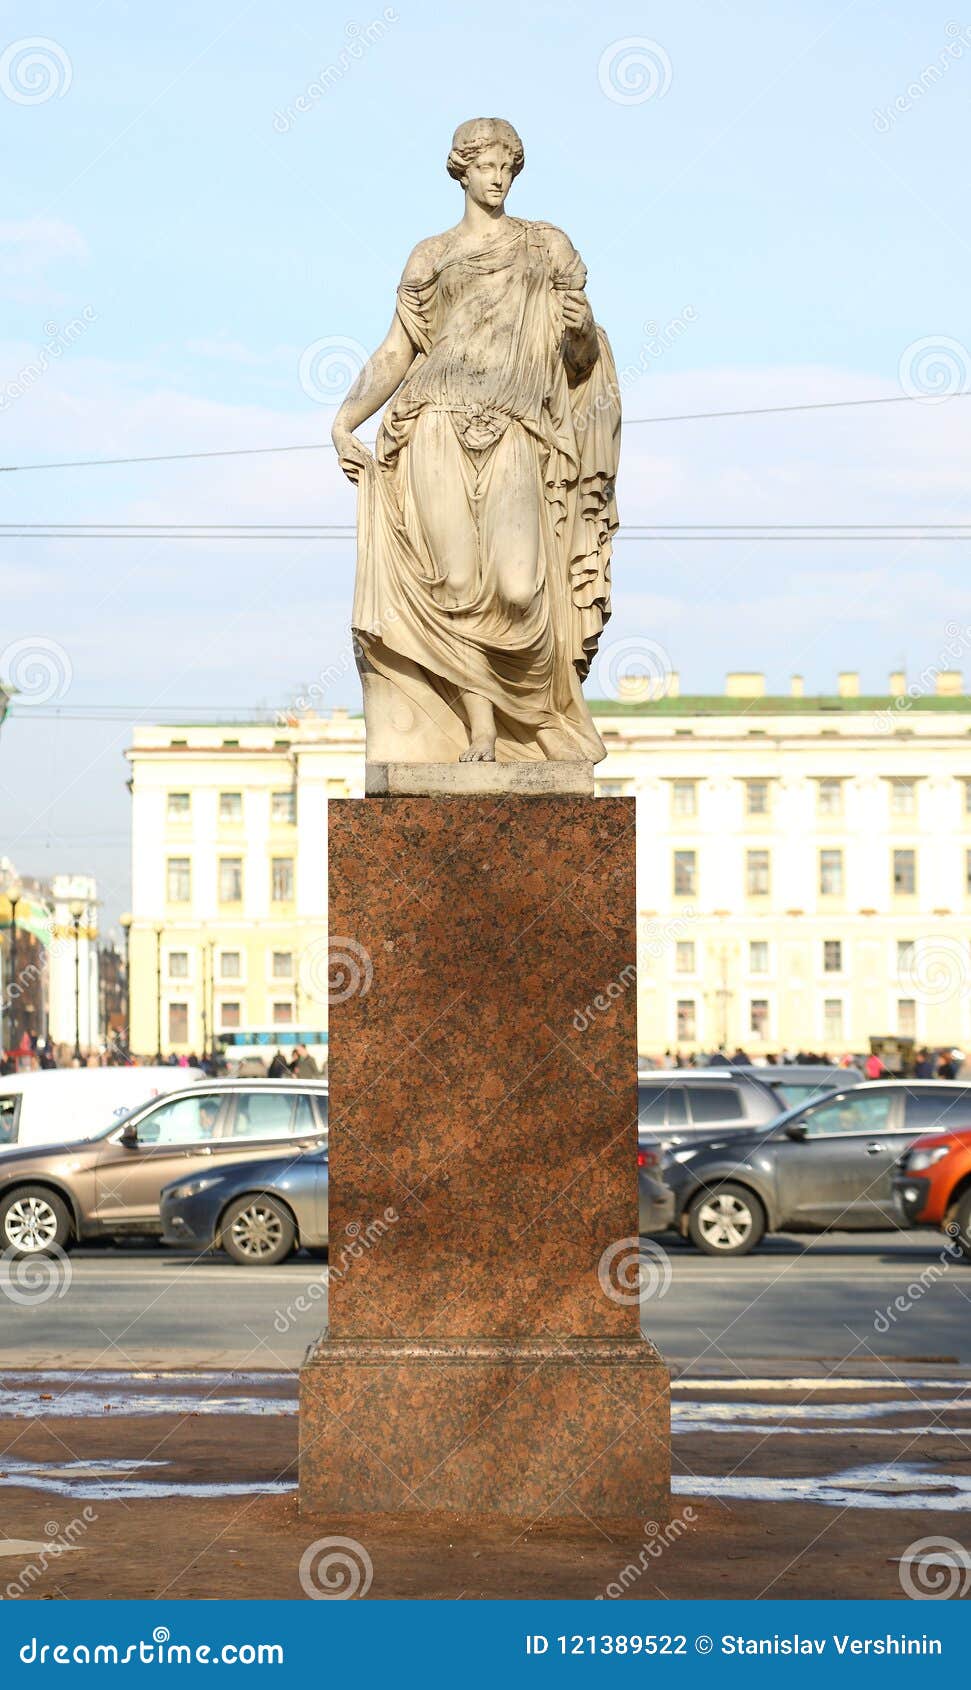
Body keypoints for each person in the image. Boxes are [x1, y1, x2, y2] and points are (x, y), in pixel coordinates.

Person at [332, 117, 620, 766]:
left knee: (519, 588)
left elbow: (578, 362)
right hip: (433, 418)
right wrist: (343, 420)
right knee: (456, 583)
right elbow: (396, 350)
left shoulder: (546, 247)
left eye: (507, 167)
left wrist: (582, 327)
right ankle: (482, 729)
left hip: (516, 423)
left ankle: (537, 719)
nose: (497, 179)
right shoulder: (430, 256)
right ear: (460, 169)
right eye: (486, 166)